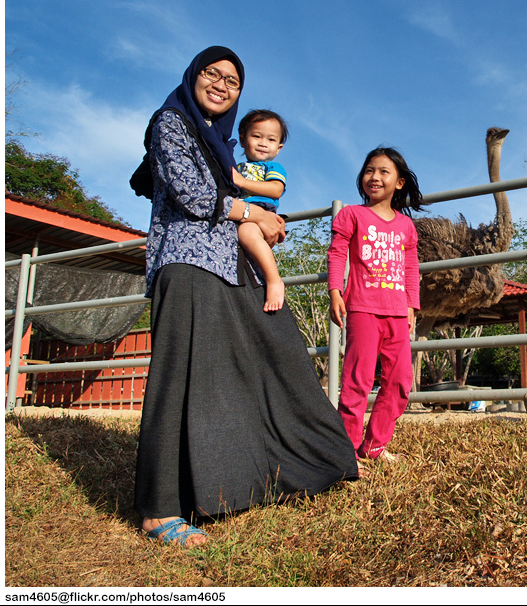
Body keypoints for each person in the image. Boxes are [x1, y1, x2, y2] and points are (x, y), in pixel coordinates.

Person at [130, 46, 359, 548]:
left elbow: (237, 192)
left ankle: (295, 462)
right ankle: (157, 509)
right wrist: (256, 216)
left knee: (273, 345)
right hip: (186, 261)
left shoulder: (222, 144)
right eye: (212, 73)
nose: (220, 84)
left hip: (227, 263)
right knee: (177, 376)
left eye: (232, 81)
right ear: (192, 75)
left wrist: (256, 218)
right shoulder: (171, 122)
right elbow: (193, 196)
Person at [328, 147, 423, 466]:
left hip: (397, 313)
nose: (375, 177)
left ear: (399, 182)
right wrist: (335, 291)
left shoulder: (406, 227)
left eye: (384, 171)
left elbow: (411, 268)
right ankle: (347, 451)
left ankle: (375, 446)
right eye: (369, 170)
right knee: (357, 381)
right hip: (362, 309)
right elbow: (337, 253)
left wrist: (412, 306)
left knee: (399, 382)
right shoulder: (352, 215)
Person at [231, 109, 290, 311]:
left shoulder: (273, 167)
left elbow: (276, 190)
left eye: (271, 140)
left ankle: (274, 279)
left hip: (261, 211)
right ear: (242, 139)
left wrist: (241, 181)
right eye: (256, 136)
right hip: (239, 212)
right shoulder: (236, 166)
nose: (263, 143)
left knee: (246, 233)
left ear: (279, 147)